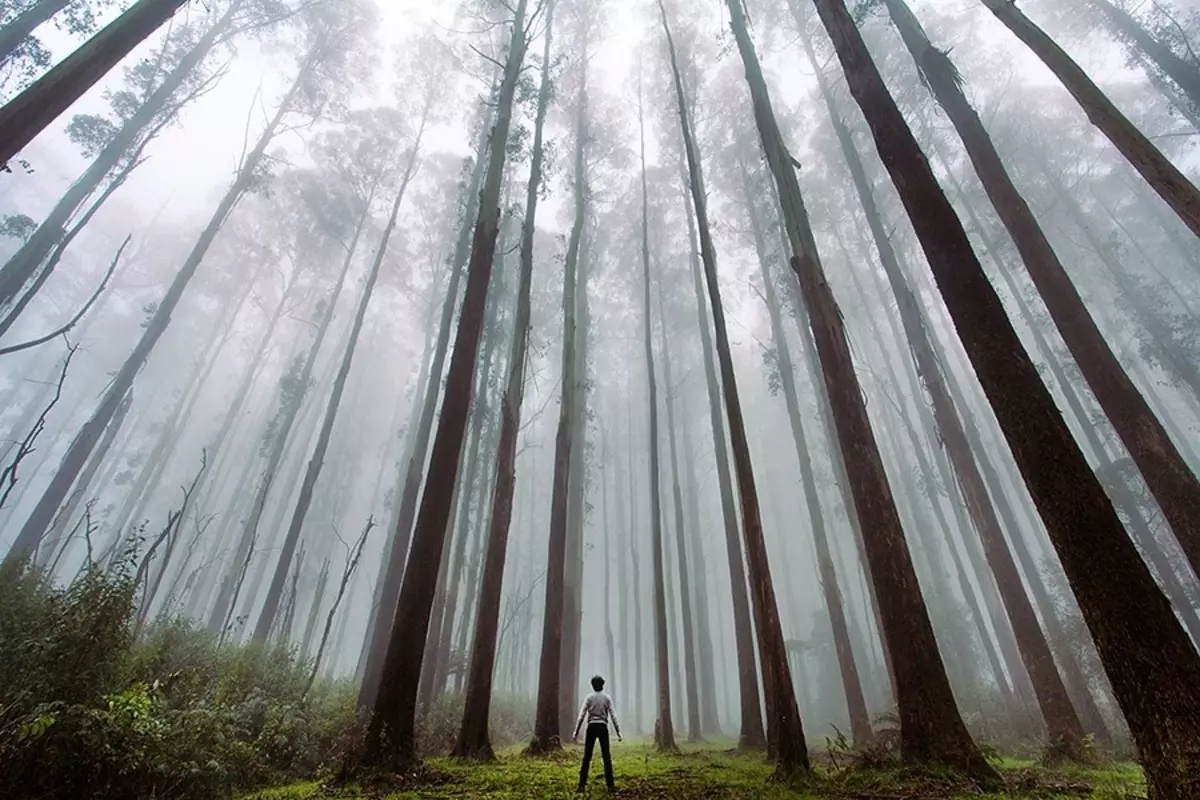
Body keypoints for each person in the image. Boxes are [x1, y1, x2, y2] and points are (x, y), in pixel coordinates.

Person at [573, 674, 621, 792]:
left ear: (593, 685)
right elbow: (613, 715)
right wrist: (618, 732)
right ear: (602, 685)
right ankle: (610, 785)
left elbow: (582, 715)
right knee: (606, 756)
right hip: (603, 727)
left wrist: (576, 731)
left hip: (592, 727)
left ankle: (581, 785)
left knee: (587, 756)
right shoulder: (607, 698)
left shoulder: (589, 698)